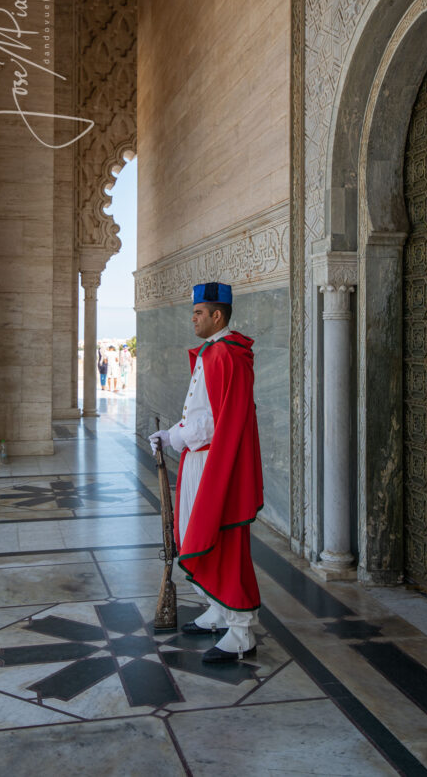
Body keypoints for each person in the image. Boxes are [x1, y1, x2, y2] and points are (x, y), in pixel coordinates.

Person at [149, 282, 263, 663]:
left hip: (217, 463)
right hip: (201, 461)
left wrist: (172, 436)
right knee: (200, 534)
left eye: (199, 312)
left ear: (217, 315)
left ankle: (242, 630)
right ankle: (218, 608)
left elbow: (215, 423)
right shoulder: (214, 352)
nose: (193, 318)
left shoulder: (225, 355)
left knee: (225, 541)